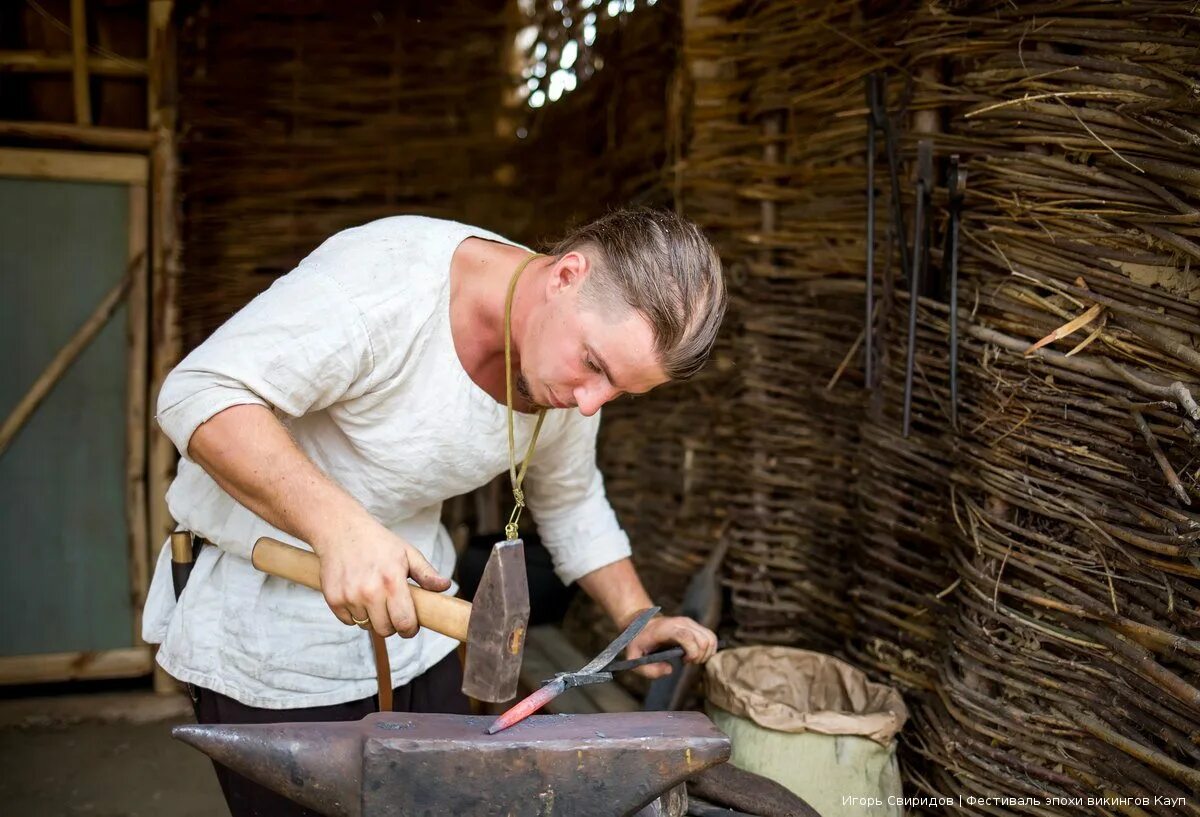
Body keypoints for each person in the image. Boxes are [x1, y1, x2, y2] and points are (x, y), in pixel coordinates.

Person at [141, 207, 726, 815]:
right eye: (595, 367)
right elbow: (201, 391)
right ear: (566, 275)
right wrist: (339, 529)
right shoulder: (389, 281)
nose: (589, 404)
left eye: (619, 393)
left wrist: (636, 617)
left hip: (420, 636)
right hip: (266, 626)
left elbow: (572, 498)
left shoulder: (568, 370)